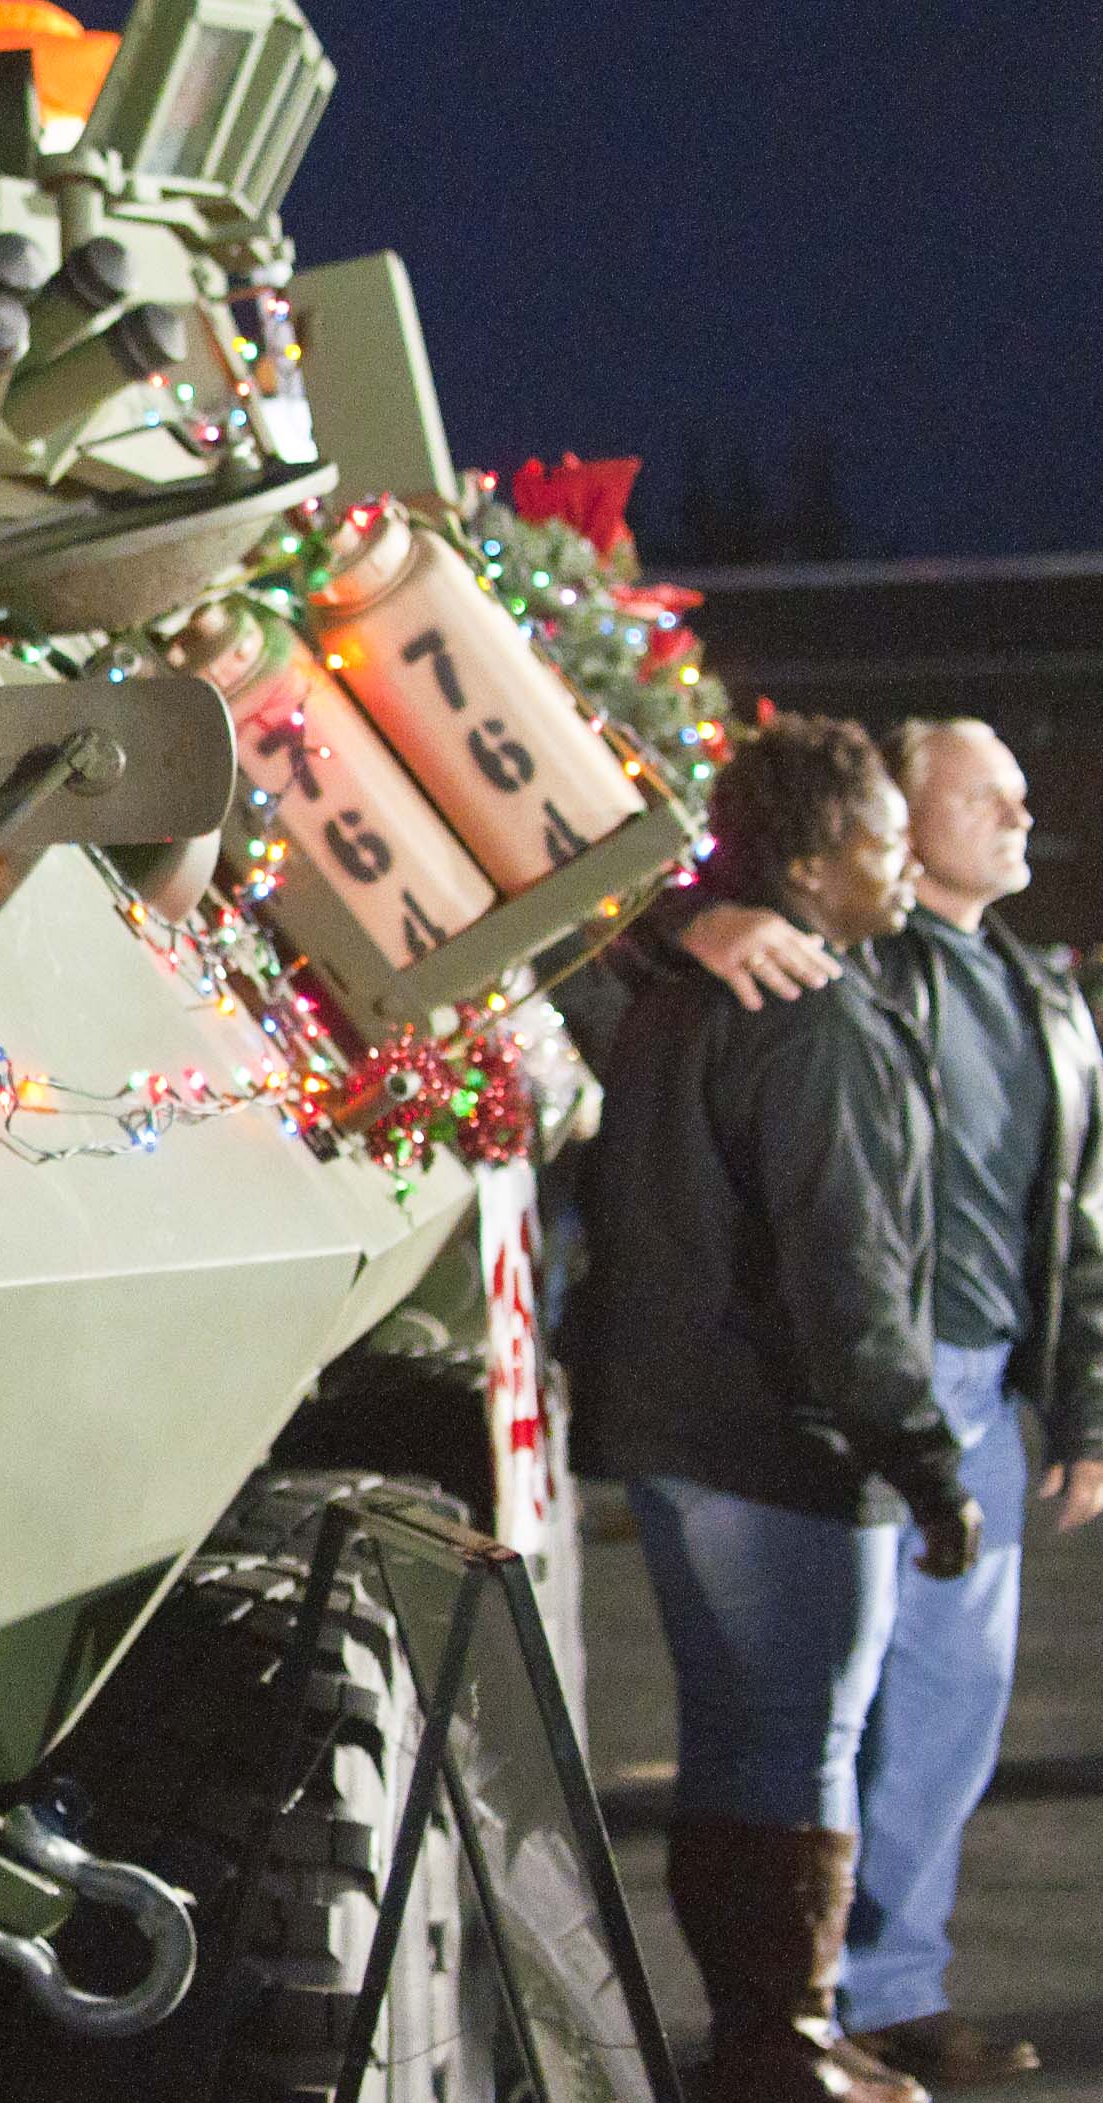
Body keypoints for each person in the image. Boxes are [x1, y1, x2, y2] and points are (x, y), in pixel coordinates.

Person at [668, 718, 1103, 2090]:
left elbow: (1076, 1223)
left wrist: (1080, 1407)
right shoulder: (836, 962)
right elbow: (643, 935)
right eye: (985, 792)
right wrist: (705, 917)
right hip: (869, 1387)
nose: (1019, 811)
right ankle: (812, 2007)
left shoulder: (1044, 995)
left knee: (944, 1711)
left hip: (972, 1385)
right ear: (898, 821)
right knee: (824, 1712)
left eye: (1020, 792)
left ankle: (891, 1988)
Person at [572, 715, 978, 2103]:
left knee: (736, 1732)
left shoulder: (689, 998)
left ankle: (771, 2025)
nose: (901, 862)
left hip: (685, 1428)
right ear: (813, 858)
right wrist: (922, 1459)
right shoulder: (808, 1023)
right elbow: (845, 1269)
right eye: (878, 836)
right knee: (791, 1734)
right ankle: (777, 2032)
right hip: (778, 1442)